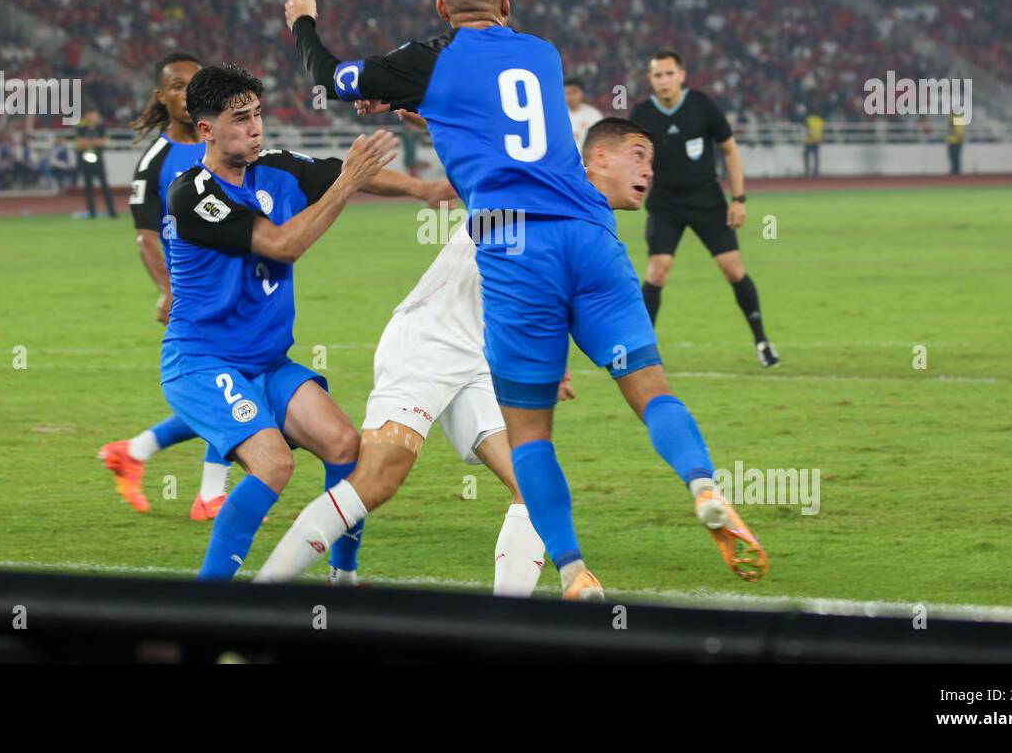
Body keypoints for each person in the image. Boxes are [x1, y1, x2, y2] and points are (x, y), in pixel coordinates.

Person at [284, 0, 768, 600]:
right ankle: (703, 484)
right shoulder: (543, 56)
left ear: (439, 8)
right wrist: (422, 107)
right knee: (653, 392)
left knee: (531, 436)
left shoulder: (433, 60)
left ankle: (572, 571)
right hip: (589, 235)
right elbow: (501, 123)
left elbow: (333, 77)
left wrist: (304, 25)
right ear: (509, 4)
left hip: (513, 243)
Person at [258, 118, 672, 595]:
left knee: (534, 486)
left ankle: (508, 626)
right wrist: (428, 112)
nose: (648, 170)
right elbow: (486, 158)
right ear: (599, 157)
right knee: (376, 479)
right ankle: (259, 601)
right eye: (639, 154)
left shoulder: (591, 224)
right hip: (428, 341)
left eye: (652, 161)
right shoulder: (542, 182)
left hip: (479, 359)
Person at [159, 64, 451, 582]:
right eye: (239, 119)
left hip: (267, 363)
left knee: (345, 446)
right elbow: (283, 243)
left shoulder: (276, 167)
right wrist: (348, 186)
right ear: (205, 130)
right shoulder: (193, 194)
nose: (255, 128)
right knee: (274, 465)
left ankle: (343, 579)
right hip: (203, 361)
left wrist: (424, 191)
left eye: (256, 115)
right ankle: (206, 604)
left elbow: (341, 171)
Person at [98, 52, 233, 521]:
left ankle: (133, 453)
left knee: (228, 387)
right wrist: (168, 290)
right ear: (162, 96)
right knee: (233, 385)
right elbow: (145, 236)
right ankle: (210, 494)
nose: (187, 94)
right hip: (197, 295)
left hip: (235, 286)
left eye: (195, 85)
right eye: (176, 86)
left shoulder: (225, 141)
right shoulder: (157, 160)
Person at [631, 52, 779, 368]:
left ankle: (762, 341)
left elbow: (730, 150)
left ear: (682, 75)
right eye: (658, 75)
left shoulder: (702, 105)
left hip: (707, 201)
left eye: (669, 74)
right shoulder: (642, 114)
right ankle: (642, 350)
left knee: (733, 270)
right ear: (650, 79)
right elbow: (633, 161)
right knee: (657, 272)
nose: (664, 81)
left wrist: (739, 199)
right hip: (666, 205)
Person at [75, 109, 116, 217]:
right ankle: (92, 212)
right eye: (93, 115)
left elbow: (104, 141)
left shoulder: (100, 127)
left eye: (96, 115)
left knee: (105, 187)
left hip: (99, 161)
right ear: (87, 115)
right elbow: (79, 143)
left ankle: (112, 211)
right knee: (88, 188)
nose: (94, 117)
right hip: (85, 162)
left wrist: (88, 142)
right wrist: (95, 142)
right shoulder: (81, 128)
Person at [564, 78, 603, 154]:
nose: (571, 97)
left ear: (582, 93)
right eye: (567, 93)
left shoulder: (594, 115)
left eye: (574, 92)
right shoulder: (558, 117)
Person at [803, 111, 823, 177]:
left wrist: (813, 136)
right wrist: (820, 139)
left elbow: (807, 129)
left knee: (807, 156)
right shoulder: (820, 120)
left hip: (809, 140)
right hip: (816, 140)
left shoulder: (809, 119)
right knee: (815, 156)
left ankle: (807, 171)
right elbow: (821, 131)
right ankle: (815, 171)